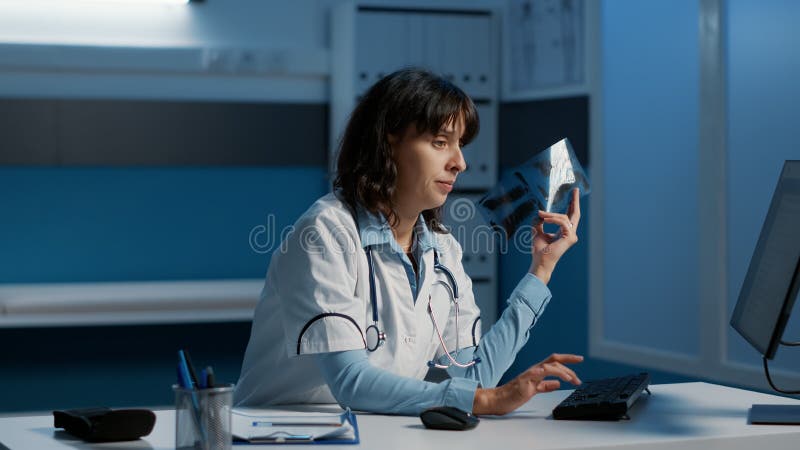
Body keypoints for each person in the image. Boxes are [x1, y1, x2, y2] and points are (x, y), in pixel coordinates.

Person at [234, 68, 583, 416]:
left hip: (376, 433)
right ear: (389, 141)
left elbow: (474, 378)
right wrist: (483, 400)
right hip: (283, 434)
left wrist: (541, 270)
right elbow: (350, 382)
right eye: (440, 142)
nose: (460, 162)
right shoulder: (325, 232)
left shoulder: (443, 250)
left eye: (460, 144)